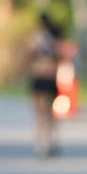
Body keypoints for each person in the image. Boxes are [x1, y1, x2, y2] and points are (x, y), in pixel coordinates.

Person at [26, 12, 62, 157]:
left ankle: (41, 142)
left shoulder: (36, 39)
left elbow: (28, 55)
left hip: (40, 77)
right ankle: (46, 141)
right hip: (49, 77)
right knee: (48, 112)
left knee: (39, 112)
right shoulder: (54, 39)